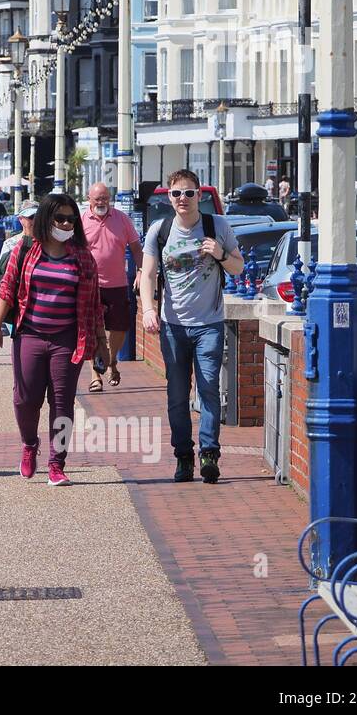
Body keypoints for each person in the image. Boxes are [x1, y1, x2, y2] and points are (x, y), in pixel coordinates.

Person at [0, 192, 108, 487]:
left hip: (68, 338)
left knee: (63, 402)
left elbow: (94, 301)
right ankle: (30, 444)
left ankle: (57, 463)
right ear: (46, 219)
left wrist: (101, 342)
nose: (66, 224)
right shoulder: (26, 249)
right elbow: (7, 287)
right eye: (60, 218)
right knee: (25, 398)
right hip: (30, 334)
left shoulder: (81, 256)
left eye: (70, 219)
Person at [138, 169, 244, 485]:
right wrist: (148, 310)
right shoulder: (160, 230)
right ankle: (183, 456)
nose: (182, 199)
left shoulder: (218, 226)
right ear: (169, 198)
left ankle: (209, 454)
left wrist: (221, 254)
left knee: (209, 387)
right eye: (176, 194)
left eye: (189, 193)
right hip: (173, 326)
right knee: (177, 394)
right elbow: (146, 274)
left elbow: (238, 268)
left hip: (209, 323)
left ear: (200, 195)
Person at [80, 182, 144, 393]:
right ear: (89, 199)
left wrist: (142, 271)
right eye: (98, 199)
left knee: (119, 327)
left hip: (117, 284)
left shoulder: (121, 219)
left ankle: (111, 360)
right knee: (91, 330)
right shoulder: (81, 221)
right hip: (90, 286)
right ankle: (95, 375)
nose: (102, 202)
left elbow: (136, 246)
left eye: (105, 198)